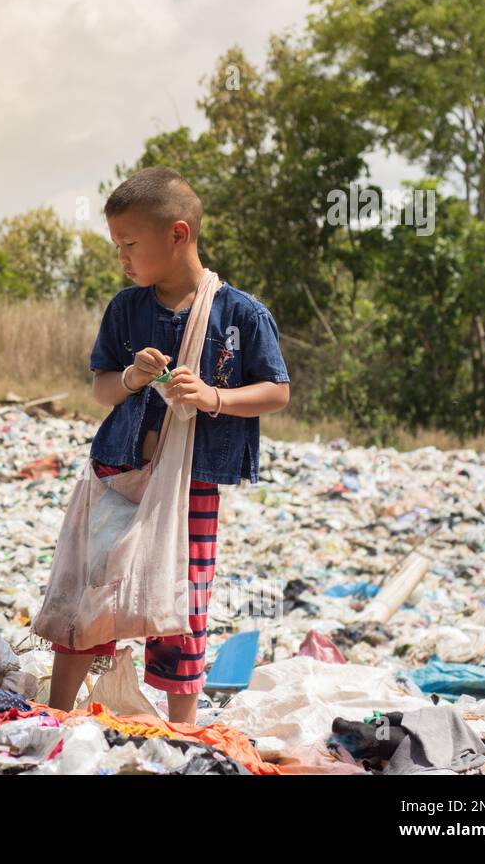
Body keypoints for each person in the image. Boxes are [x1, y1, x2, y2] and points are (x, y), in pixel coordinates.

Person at [47, 166, 290, 726]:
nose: (122, 259)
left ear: (177, 234)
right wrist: (132, 378)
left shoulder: (240, 315)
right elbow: (102, 387)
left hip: (193, 480)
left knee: (182, 595)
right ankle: (55, 713)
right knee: (95, 584)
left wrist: (213, 398)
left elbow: (276, 391)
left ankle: (181, 727)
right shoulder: (126, 309)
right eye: (117, 247)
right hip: (121, 471)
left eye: (130, 244)